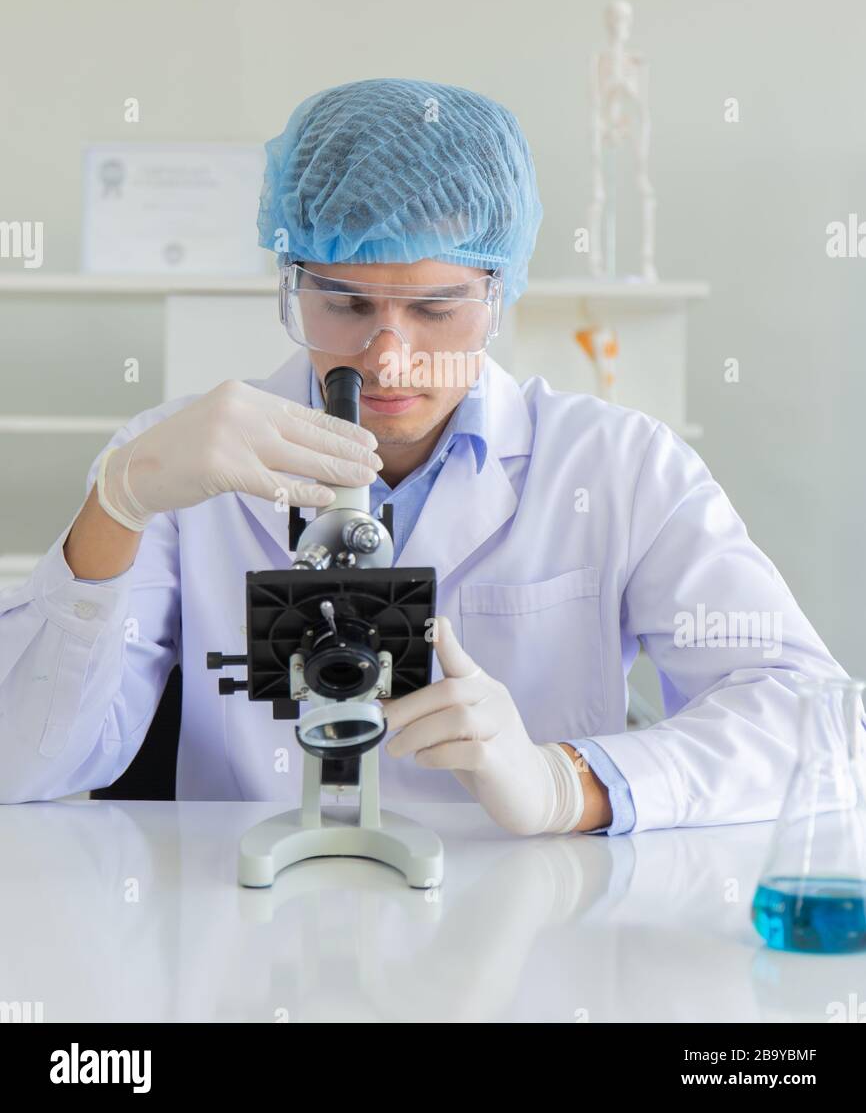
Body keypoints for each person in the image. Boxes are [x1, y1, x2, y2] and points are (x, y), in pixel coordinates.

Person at [0, 78, 853, 834]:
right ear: (291, 282)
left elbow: (819, 723)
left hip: (529, 939)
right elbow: (22, 765)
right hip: (246, 938)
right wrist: (117, 508)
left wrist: (572, 782)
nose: (388, 357)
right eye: (344, 302)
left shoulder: (619, 467)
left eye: (438, 310)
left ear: (500, 294)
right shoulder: (173, 458)